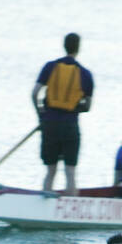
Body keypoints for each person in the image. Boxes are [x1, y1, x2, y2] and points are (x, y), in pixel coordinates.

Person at [32, 32, 93, 195]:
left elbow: (34, 93)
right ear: (78, 48)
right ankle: (71, 208)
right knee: (70, 172)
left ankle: (44, 204)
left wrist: (41, 115)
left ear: (64, 45)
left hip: (49, 124)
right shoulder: (85, 74)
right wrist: (74, 106)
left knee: (50, 171)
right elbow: (87, 106)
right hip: (70, 126)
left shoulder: (50, 67)